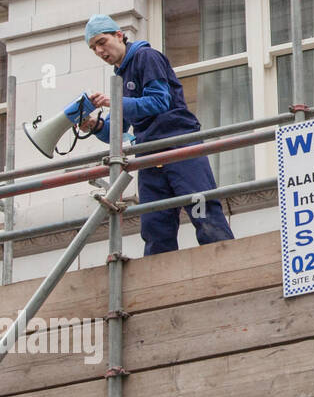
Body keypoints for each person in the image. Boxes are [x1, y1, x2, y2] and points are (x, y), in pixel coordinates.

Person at [69, 15, 235, 256]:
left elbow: (159, 101)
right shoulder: (120, 77)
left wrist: (114, 101)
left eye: (101, 42)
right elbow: (117, 131)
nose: (99, 50)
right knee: (155, 223)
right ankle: (159, 277)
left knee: (202, 208)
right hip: (148, 153)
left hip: (178, 144)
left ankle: (225, 262)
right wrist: (93, 126)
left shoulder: (146, 57)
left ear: (118, 35)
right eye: (93, 48)